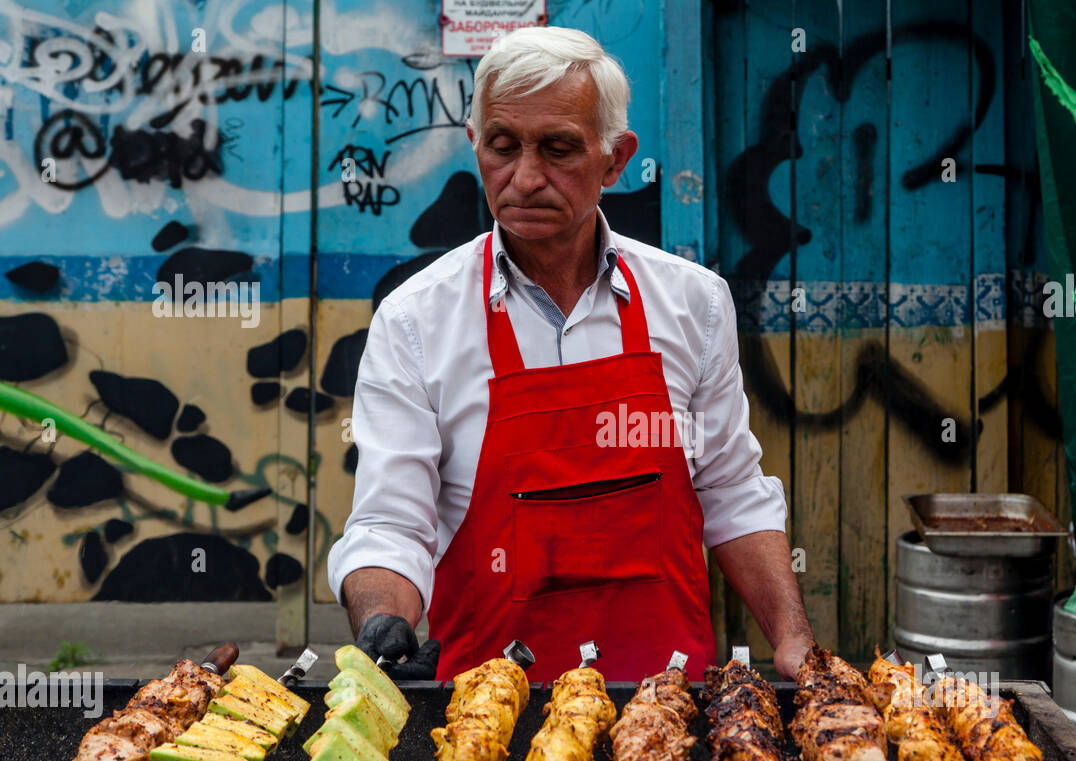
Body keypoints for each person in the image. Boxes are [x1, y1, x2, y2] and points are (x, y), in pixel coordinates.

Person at [327, 26, 816, 682]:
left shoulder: (692, 304)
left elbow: (730, 490)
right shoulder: (416, 322)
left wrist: (792, 636)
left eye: (558, 149)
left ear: (614, 160)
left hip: (668, 705)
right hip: (487, 714)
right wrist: (383, 619)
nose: (525, 178)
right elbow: (390, 522)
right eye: (502, 147)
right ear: (475, 148)